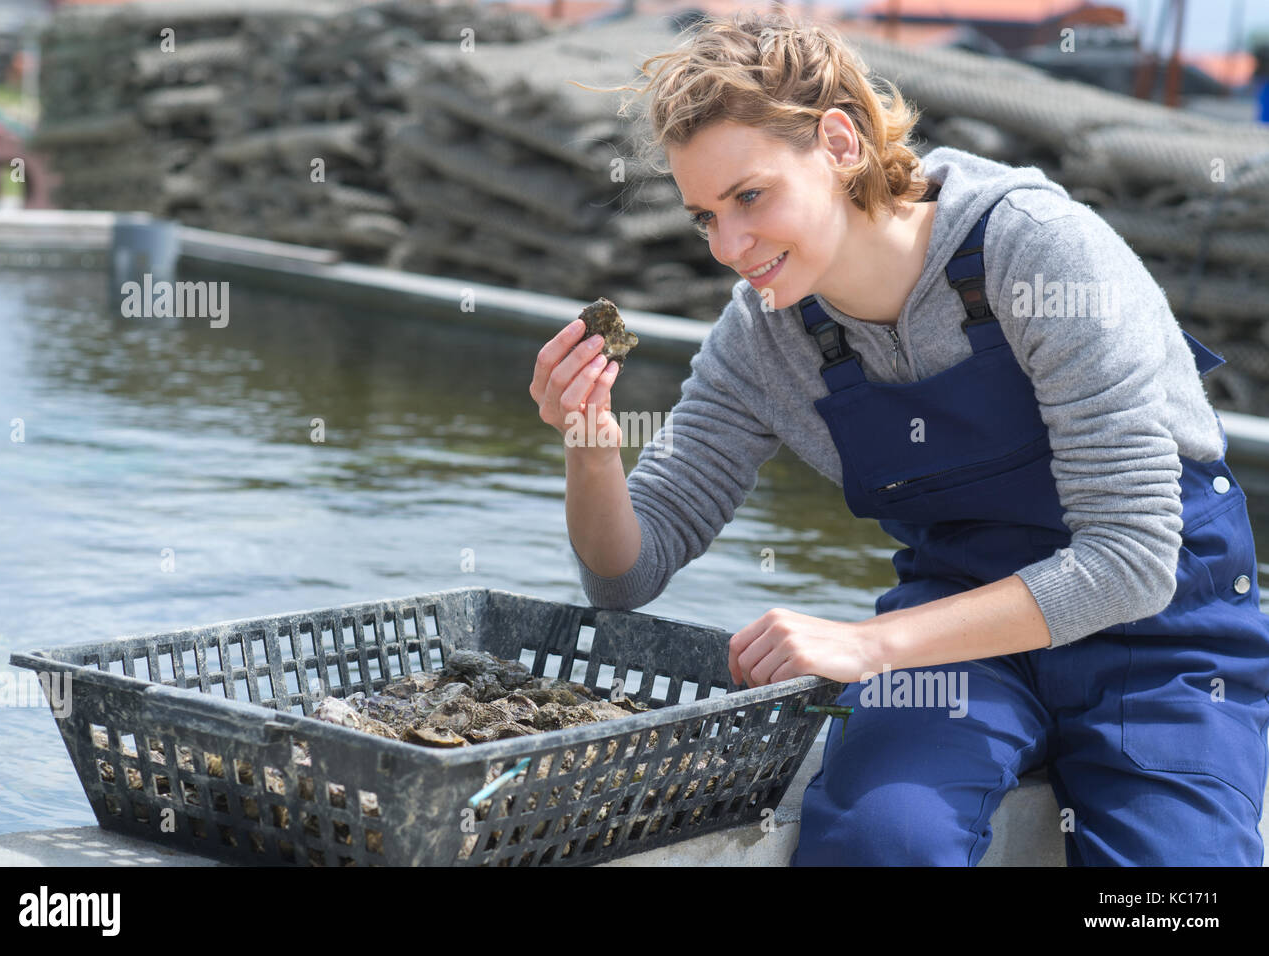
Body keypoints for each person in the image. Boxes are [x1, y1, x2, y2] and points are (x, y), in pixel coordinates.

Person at [529, 10, 1269, 865]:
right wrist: (590, 444)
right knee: (882, 841)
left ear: (840, 143)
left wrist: (866, 645)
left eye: (750, 197)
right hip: (962, 640)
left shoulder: (1039, 253)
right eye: (704, 217)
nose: (728, 246)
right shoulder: (764, 336)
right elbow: (625, 576)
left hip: (1164, 640)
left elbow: (1132, 561)